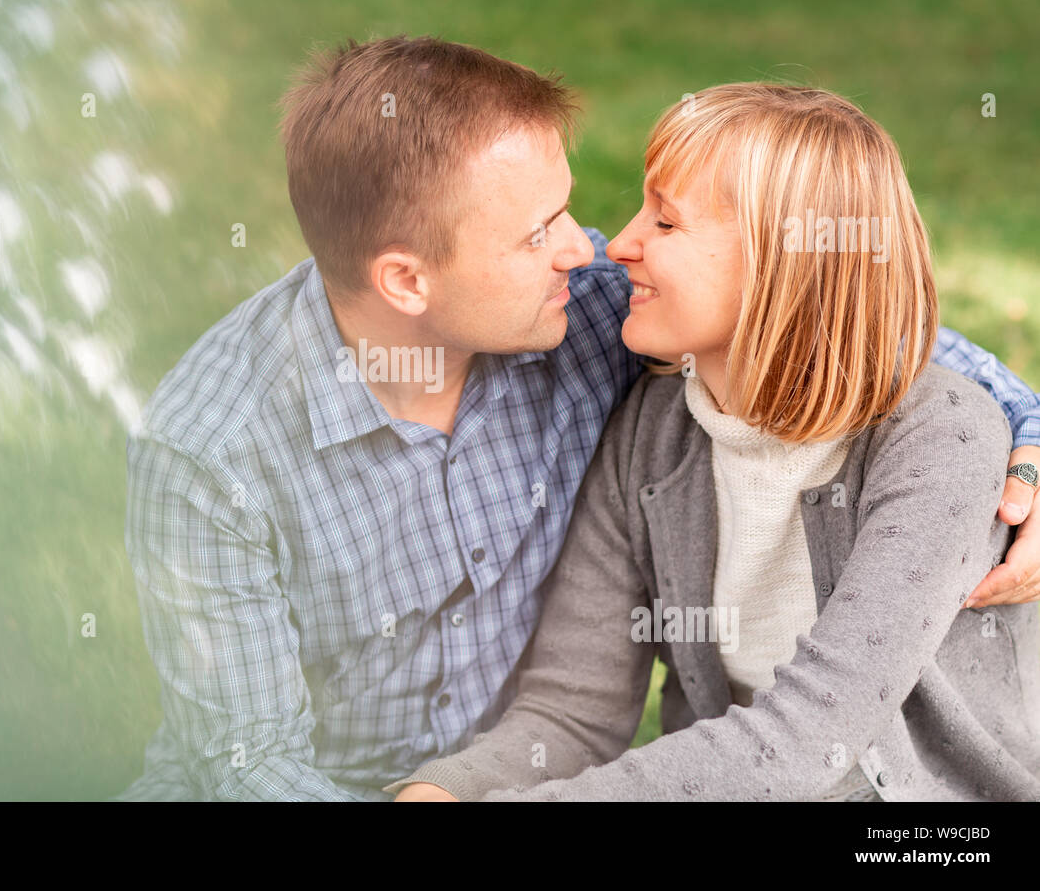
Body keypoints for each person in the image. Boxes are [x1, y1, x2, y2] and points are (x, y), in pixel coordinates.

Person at [118, 38, 1040, 801]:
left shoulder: (587, 302)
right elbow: (251, 765)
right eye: (538, 232)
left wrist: (1032, 448)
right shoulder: (209, 454)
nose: (595, 246)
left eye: (576, 210)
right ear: (405, 280)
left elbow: (865, 337)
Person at [389, 83, 1040, 801]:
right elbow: (571, 713)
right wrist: (438, 793)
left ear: (780, 263)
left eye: (665, 224)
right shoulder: (653, 429)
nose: (622, 244)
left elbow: (806, 741)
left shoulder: (936, 440)